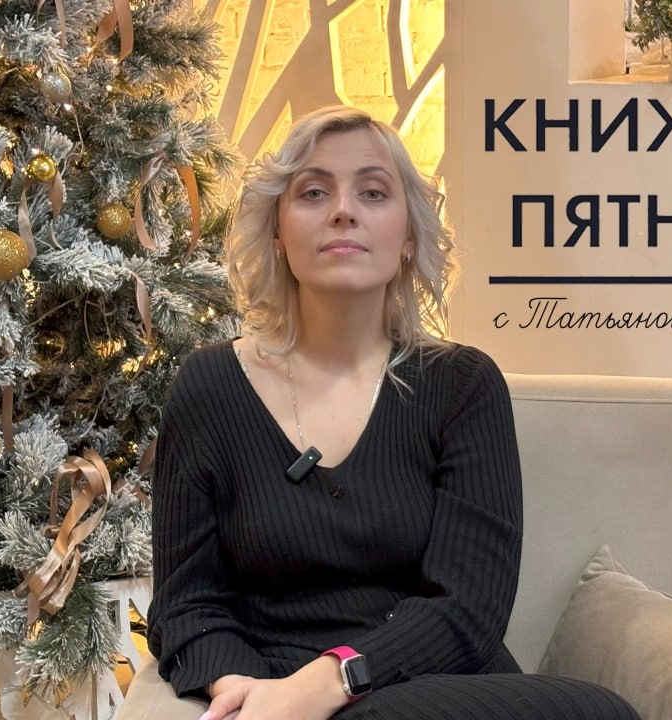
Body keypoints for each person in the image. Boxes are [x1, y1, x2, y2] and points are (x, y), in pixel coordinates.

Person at [147, 105, 639, 720]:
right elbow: (186, 604)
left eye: (373, 192)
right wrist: (245, 692)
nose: (343, 210)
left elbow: (468, 609)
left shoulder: (463, 385)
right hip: (278, 681)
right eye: (314, 192)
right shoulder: (210, 386)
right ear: (277, 231)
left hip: (438, 689)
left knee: (600, 713)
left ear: (408, 236)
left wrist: (331, 682)